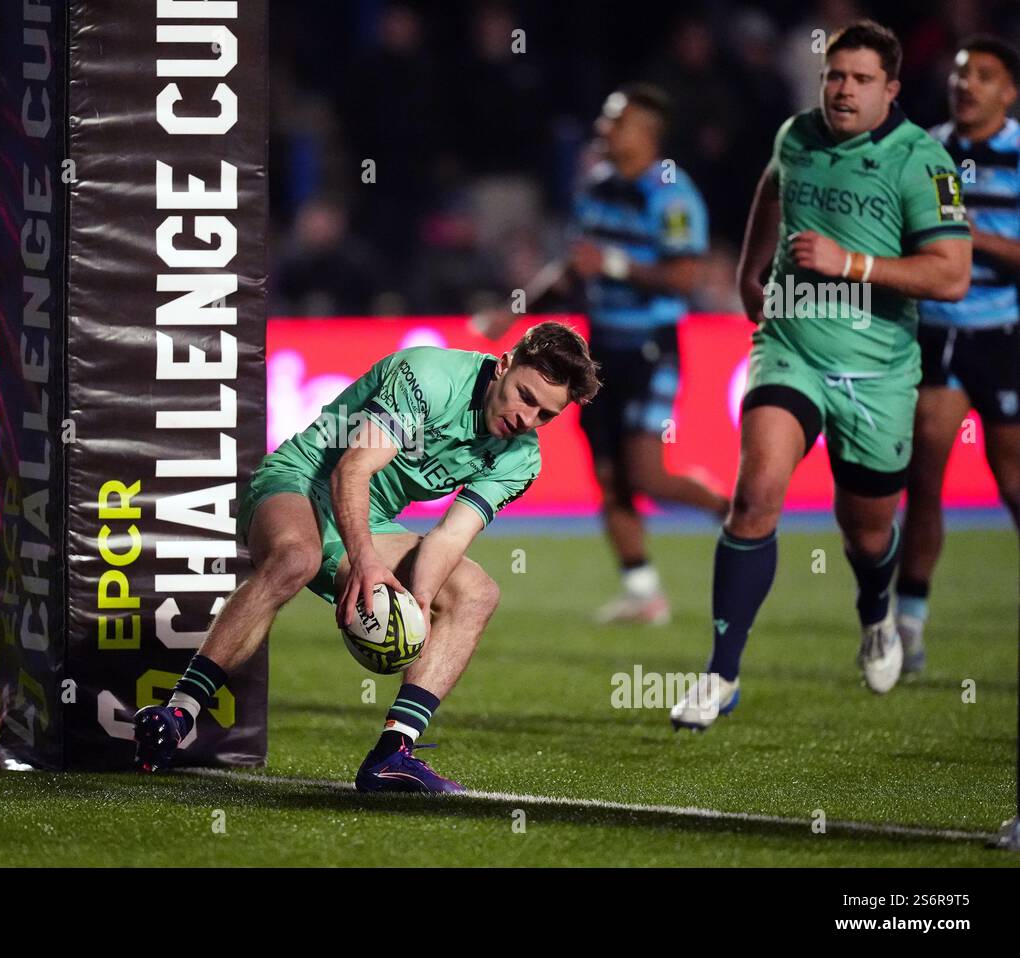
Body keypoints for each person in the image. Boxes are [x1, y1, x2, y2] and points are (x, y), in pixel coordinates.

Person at [133, 322, 599, 792]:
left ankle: (393, 753)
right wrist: (366, 562)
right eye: (525, 395)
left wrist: (417, 603)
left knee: (476, 592)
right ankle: (178, 713)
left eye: (545, 414)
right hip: (300, 481)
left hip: (370, 522)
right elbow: (351, 469)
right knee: (297, 560)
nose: (527, 419)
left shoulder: (521, 459)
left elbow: (449, 536)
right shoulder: (430, 375)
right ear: (503, 365)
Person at [669, 21, 972, 729]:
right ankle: (720, 673)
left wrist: (852, 264)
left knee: (867, 533)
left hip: (879, 371)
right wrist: (751, 268)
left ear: (890, 89)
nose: (842, 89)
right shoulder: (795, 136)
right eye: (835, 75)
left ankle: (875, 613)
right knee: (755, 497)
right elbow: (774, 187)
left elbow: (951, 274)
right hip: (790, 348)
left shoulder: (922, 162)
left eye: (860, 79)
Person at [475, 84, 728, 624]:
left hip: (651, 346)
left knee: (646, 473)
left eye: (617, 121)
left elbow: (685, 277)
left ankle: (739, 516)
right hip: (599, 352)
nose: (604, 129)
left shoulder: (671, 194)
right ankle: (643, 592)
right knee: (610, 476)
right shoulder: (595, 185)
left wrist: (613, 265)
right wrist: (512, 312)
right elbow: (573, 268)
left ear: (647, 134)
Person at [896, 36, 1020, 674]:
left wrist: (975, 241)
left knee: (1014, 483)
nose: (966, 84)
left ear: (1010, 92)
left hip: (1003, 334)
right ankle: (907, 627)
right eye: (961, 74)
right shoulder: (923, 149)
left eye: (984, 76)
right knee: (925, 479)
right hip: (937, 330)